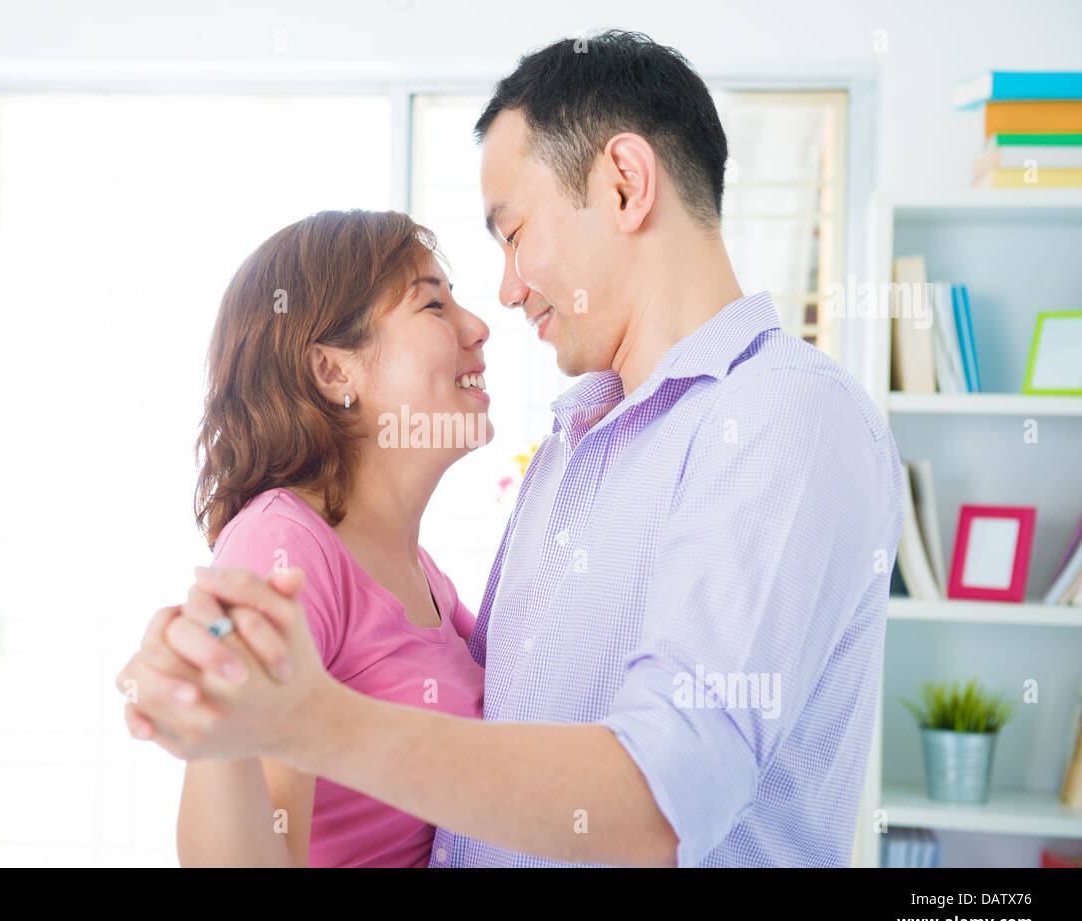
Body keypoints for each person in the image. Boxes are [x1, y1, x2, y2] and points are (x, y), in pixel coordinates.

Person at [117, 30, 906, 867]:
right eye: (438, 297)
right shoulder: (575, 447)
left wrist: (313, 721)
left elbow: (662, 802)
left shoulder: (786, 416)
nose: (503, 291)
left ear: (626, 184)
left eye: (514, 229)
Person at [160, 209, 492, 866]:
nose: (476, 328)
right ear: (335, 373)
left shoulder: (420, 570)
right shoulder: (284, 547)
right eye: (433, 306)